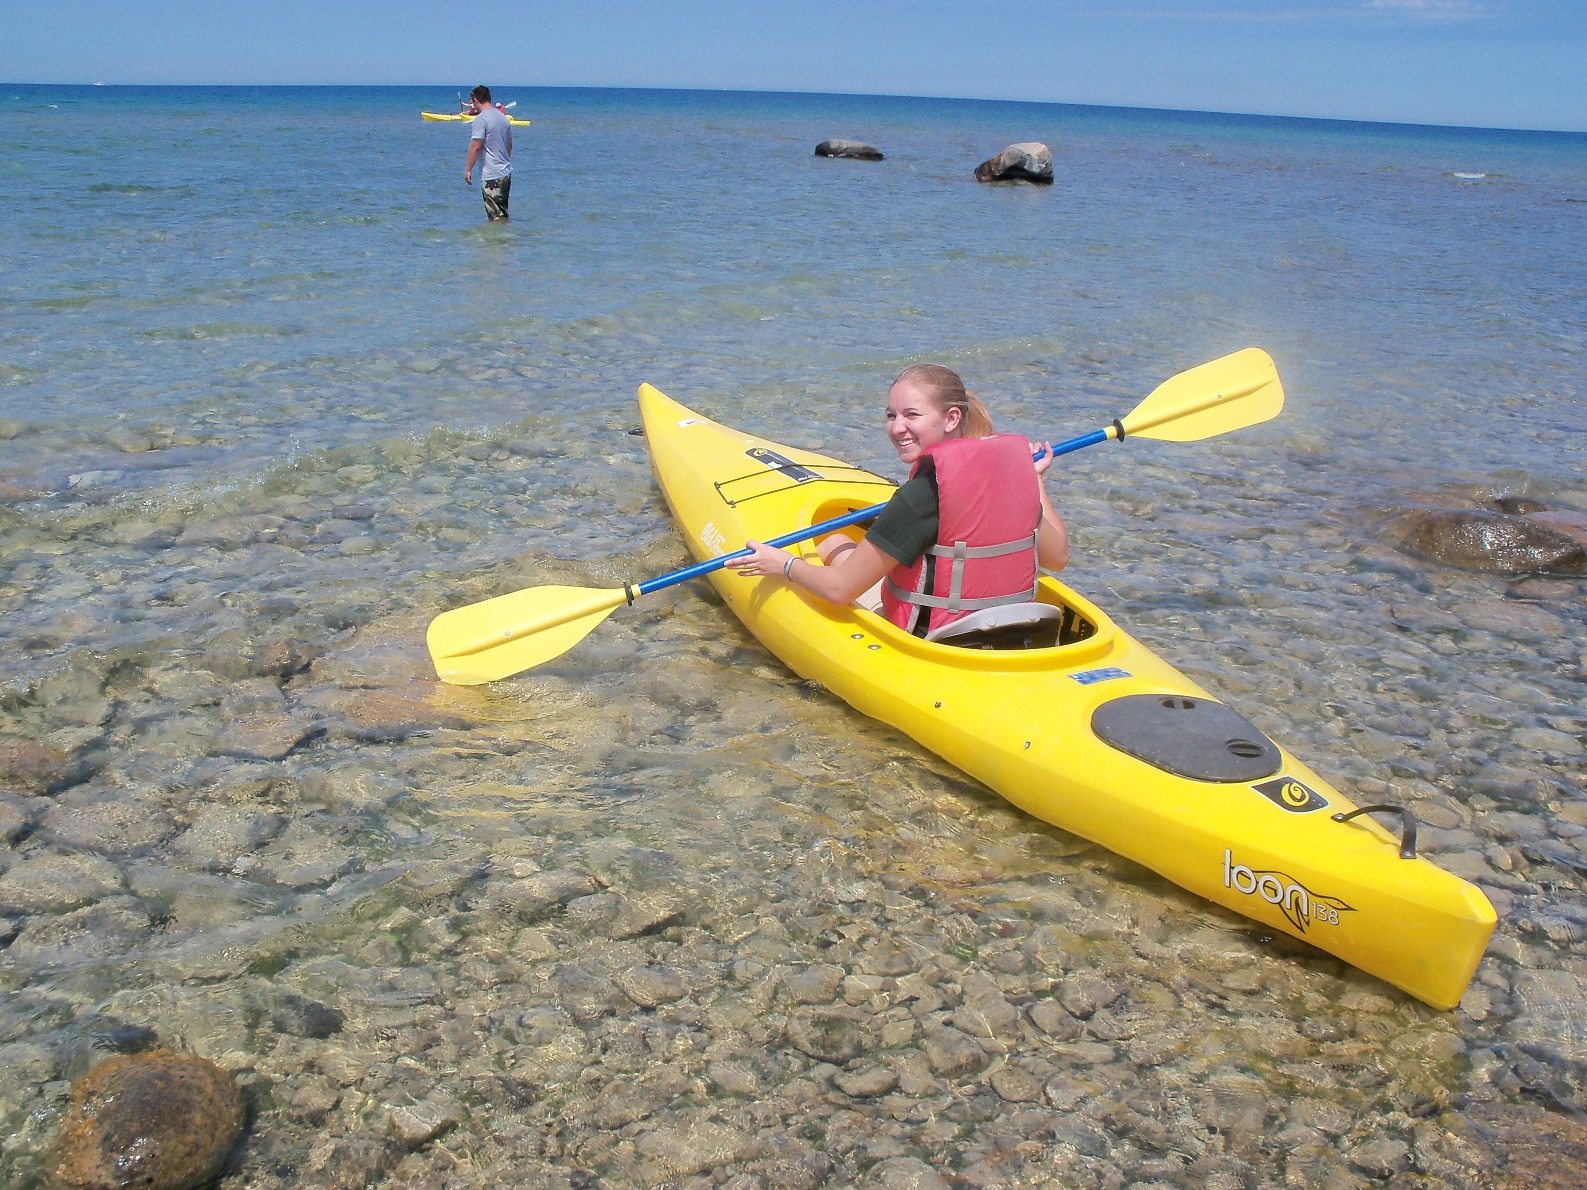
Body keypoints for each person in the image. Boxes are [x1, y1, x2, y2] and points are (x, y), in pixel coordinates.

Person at [731, 364, 1069, 638]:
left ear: (951, 418)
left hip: (939, 639)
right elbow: (1057, 557)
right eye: (891, 416)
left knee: (830, 539)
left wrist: (783, 565)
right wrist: (1034, 477)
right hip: (1013, 628)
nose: (897, 428)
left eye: (912, 415)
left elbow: (838, 591)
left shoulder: (919, 496)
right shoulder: (1011, 475)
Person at [463, 85, 512, 221]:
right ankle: (504, 239)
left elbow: (476, 146)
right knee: (502, 213)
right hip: (505, 172)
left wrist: (468, 169)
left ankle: (495, 241)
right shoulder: (503, 118)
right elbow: (509, 144)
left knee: (495, 216)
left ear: (475, 99)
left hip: (491, 175)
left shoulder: (481, 119)